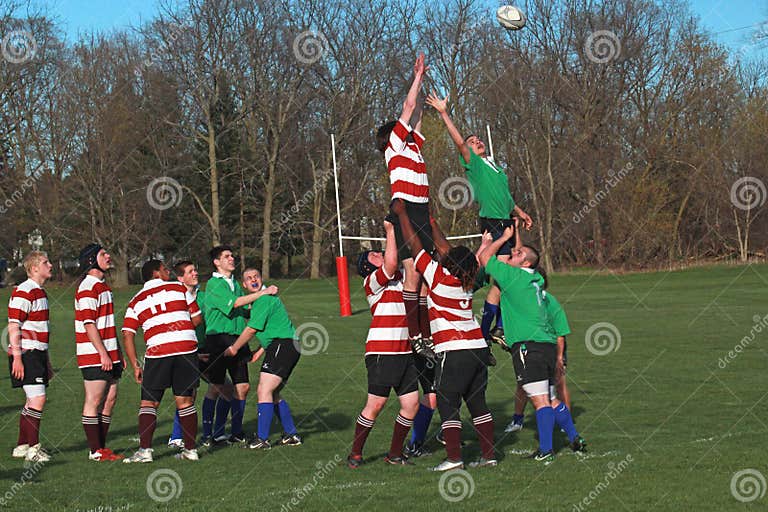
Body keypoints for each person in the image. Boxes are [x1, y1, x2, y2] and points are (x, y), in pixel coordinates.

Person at [392, 199, 496, 471]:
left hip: (455, 350)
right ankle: (489, 455)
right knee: (478, 404)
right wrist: (431, 221)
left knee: (448, 404)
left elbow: (415, 245)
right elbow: (446, 249)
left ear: (449, 263)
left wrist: (404, 215)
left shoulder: (438, 278)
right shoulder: (468, 280)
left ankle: (453, 458)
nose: (442, 255)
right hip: (478, 349)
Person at [426, 92, 533, 346]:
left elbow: (506, 198)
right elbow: (459, 143)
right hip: (493, 222)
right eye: (473, 142)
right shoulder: (474, 164)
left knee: (497, 277)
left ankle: (483, 322)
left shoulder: (497, 168)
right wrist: (443, 113)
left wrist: (519, 212)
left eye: (478, 140)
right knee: (503, 276)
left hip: (504, 220)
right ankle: (490, 328)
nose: (477, 142)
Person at [478, 228, 584, 464]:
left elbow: (485, 259)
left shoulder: (514, 277)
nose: (512, 253)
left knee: (539, 400)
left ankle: (545, 450)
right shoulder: (538, 286)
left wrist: (500, 239)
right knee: (552, 398)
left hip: (529, 346)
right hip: (546, 347)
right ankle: (575, 438)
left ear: (524, 262)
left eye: (517, 253)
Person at [347, 220, 419, 468]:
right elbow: (389, 263)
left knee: (411, 405)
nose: (379, 253)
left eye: (379, 250)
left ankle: (395, 454)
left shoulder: (401, 279)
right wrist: (390, 231)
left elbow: (410, 265)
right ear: (368, 266)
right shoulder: (373, 282)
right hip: (382, 352)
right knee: (376, 404)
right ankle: (356, 453)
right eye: (373, 255)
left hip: (406, 351)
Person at [377, 52, 434, 358]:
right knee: (412, 272)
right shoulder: (395, 144)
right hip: (405, 209)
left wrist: (424, 83)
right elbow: (409, 107)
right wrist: (417, 77)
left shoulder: (412, 144)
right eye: (403, 126)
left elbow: (417, 112)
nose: (409, 126)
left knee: (426, 276)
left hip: (423, 210)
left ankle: (426, 336)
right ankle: (416, 337)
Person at [122, 260, 203, 463]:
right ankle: (191, 450)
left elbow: (127, 335)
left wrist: (135, 364)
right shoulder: (180, 288)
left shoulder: (135, 300)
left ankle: (145, 451)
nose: (169, 272)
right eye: (166, 269)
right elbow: (197, 319)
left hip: (158, 352)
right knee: (184, 401)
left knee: (149, 402)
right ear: (156, 272)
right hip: (186, 349)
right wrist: (181, 328)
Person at [203, 246, 277, 443]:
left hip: (237, 339)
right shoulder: (213, 284)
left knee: (242, 387)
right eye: (226, 256)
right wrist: (263, 293)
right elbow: (235, 304)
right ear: (216, 262)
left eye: (232, 255)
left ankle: (235, 432)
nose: (232, 258)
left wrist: (267, 306)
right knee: (216, 387)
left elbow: (245, 309)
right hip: (218, 340)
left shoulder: (235, 283)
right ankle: (209, 434)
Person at [223, 275, 301, 450]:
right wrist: (259, 351)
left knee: (263, 390)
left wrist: (234, 348)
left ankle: (262, 439)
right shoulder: (262, 300)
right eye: (249, 278)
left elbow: (251, 329)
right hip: (285, 346)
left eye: (256, 276)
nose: (253, 280)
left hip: (283, 345)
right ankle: (291, 434)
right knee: (272, 393)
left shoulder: (263, 300)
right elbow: (272, 328)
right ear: (244, 284)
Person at [167, 261, 235, 448]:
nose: (195, 273)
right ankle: (176, 437)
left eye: (196, 270)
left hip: (206, 350)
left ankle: (215, 433)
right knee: (188, 395)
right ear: (180, 278)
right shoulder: (175, 299)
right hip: (185, 352)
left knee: (225, 389)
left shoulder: (205, 296)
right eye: (190, 272)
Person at [75, 243, 123, 462]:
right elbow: (89, 325)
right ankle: (95, 451)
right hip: (94, 354)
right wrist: (103, 353)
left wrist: (117, 352)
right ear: (92, 260)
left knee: (110, 399)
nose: (108, 256)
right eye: (103, 254)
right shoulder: (88, 287)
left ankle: (102, 448)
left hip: (110, 353)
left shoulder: (103, 286)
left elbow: (108, 325)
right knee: (94, 400)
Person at [7, 251, 54, 463]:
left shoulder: (40, 292)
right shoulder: (24, 291)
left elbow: (41, 329)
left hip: (38, 353)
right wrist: (17, 357)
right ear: (34, 268)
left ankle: (22, 445)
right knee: (38, 399)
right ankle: (34, 449)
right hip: (26, 353)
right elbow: (13, 325)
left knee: (31, 400)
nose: (50, 265)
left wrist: (47, 360)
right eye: (45, 263)